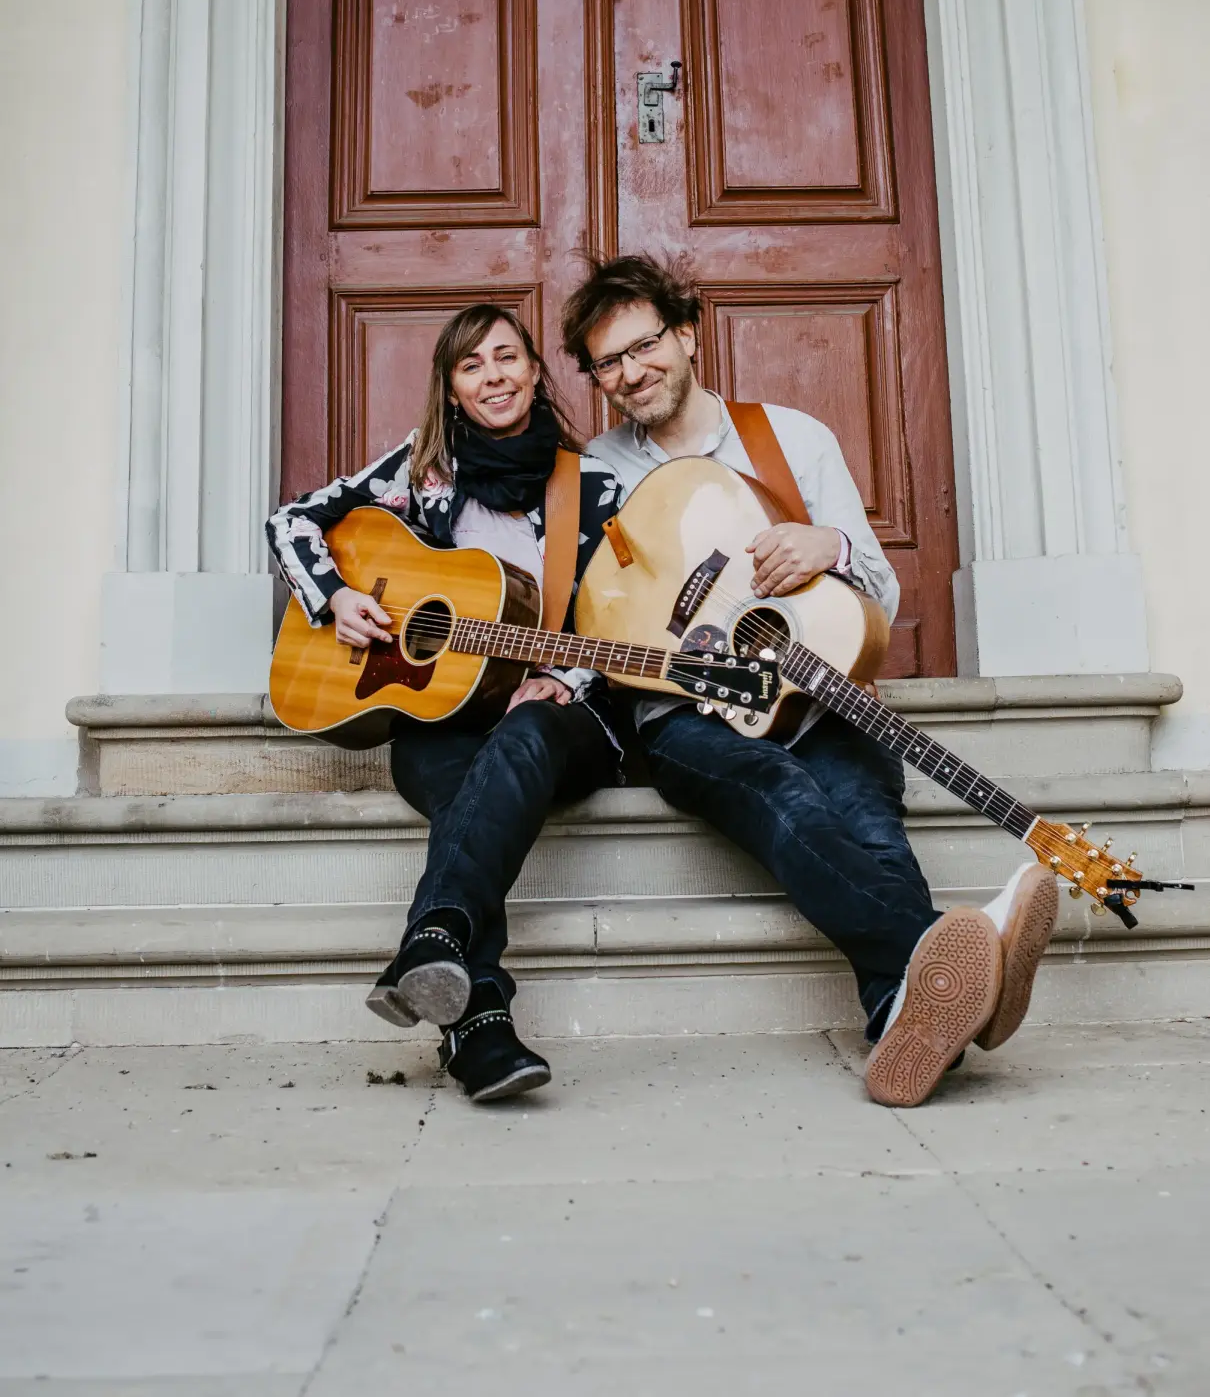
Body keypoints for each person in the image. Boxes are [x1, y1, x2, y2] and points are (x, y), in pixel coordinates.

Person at [561, 254, 1059, 1108]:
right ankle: (944, 963)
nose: (629, 373)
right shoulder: (596, 473)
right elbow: (594, 611)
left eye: (643, 347)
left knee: (867, 819)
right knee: (783, 793)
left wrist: (828, 547)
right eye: (607, 362)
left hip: (816, 689)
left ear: (685, 335)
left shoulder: (789, 438)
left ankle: (906, 1012)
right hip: (683, 713)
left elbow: (880, 592)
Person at [267, 305, 625, 1103]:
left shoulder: (591, 486)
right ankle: (477, 1023)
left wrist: (568, 680)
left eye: (507, 358)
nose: (493, 375)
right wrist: (334, 599)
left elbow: (629, 617)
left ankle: (438, 952)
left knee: (525, 734)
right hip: (438, 714)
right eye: (472, 365)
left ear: (536, 372)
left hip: (559, 718)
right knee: (466, 778)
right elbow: (291, 520)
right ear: (452, 389)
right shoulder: (418, 472)